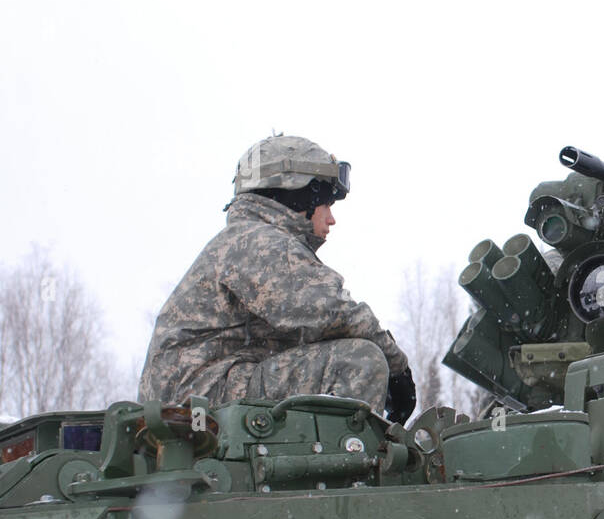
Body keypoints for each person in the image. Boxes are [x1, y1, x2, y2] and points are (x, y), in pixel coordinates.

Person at [138, 135, 418, 423]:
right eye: (325, 202)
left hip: (195, 400)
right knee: (361, 360)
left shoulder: (244, 239)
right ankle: (339, 461)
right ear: (299, 195)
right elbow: (335, 314)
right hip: (198, 403)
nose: (331, 219)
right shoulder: (258, 242)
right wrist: (398, 370)